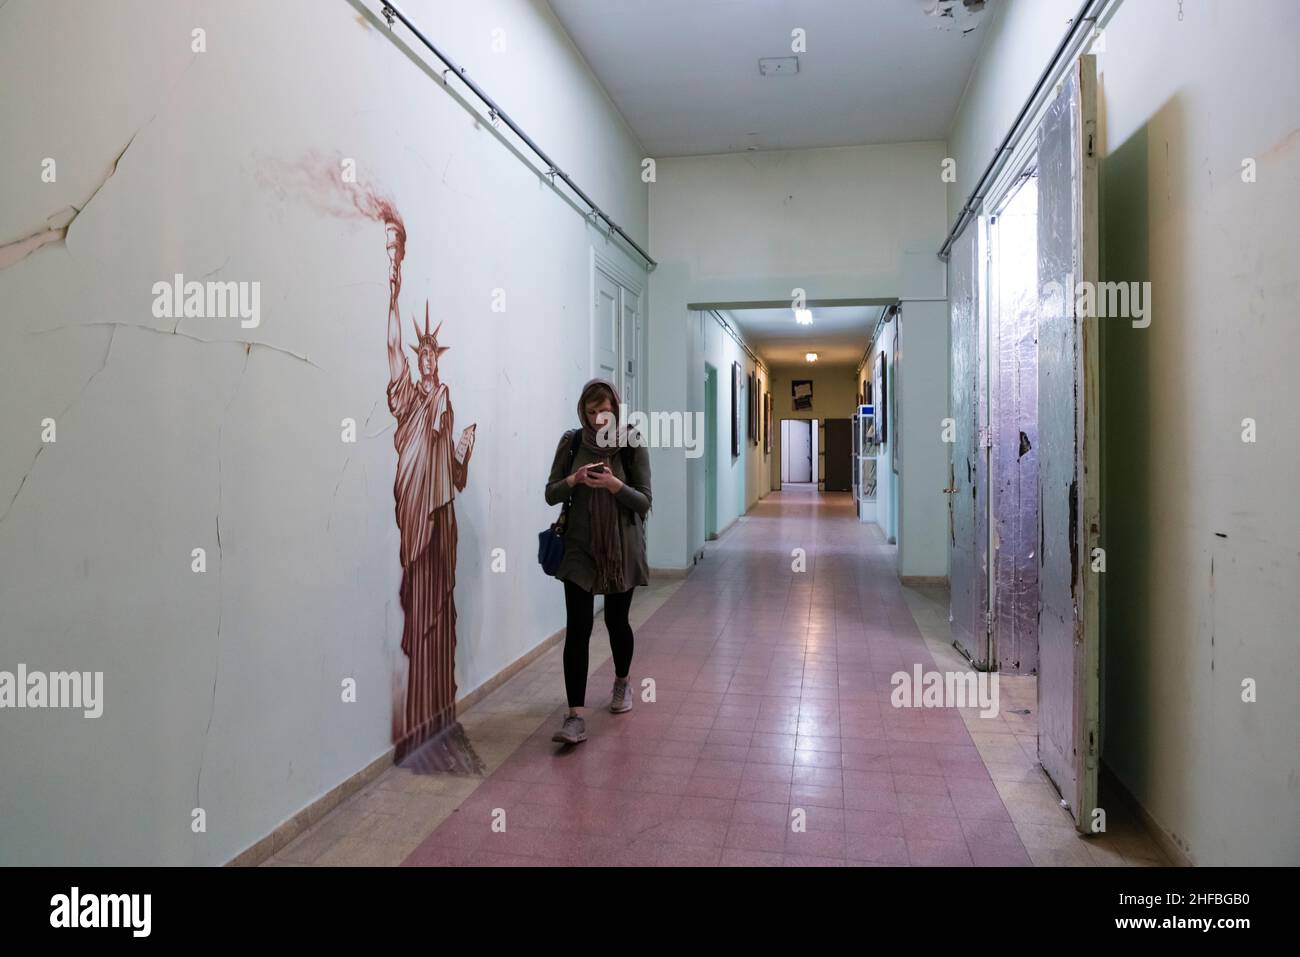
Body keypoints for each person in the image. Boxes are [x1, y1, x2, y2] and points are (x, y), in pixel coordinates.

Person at [544, 379, 652, 745]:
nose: (597, 420)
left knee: (616, 621)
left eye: (603, 411)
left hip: (621, 548)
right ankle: (575, 715)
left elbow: (644, 502)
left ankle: (622, 682)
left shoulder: (631, 442)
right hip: (579, 547)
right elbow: (550, 493)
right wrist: (573, 479)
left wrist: (614, 486)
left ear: (615, 408)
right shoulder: (571, 442)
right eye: (590, 413)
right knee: (578, 628)